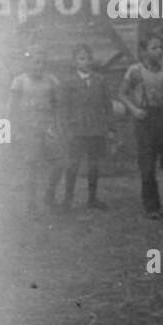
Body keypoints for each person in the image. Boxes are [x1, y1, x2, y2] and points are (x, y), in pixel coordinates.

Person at [118, 34, 163, 219]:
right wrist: (134, 110)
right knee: (148, 165)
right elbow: (122, 94)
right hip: (145, 119)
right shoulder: (134, 71)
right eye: (154, 48)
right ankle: (152, 207)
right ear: (143, 52)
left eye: (161, 47)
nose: (159, 51)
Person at [7, 49, 63, 219]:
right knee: (32, 167)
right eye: (35, 62)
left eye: (42, 62)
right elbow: (11, 108)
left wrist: (58, 126)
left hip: (47, 127)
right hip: (28, 127)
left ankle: (49, 195)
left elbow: (57, 106)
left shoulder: (51, 80)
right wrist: (11, 130)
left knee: (59, 162)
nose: (39, 66)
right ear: (27, 63)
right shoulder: (19, 81)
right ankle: (31, 203)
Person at [59, 44, 114, 211]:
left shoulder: (100, 80)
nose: (86, 62)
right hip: (77, 130)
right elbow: (64, 107)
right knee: (73, 164)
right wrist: (66, 128)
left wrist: (110, 128)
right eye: (82, 58)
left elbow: (107, 105)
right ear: (74, 62)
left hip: (96, 129)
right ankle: (67, 199)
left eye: (88, 58)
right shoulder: (69, 82)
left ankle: (92, 198)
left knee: (93, 164)